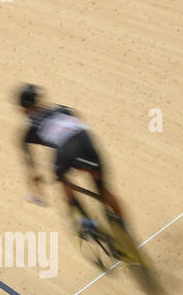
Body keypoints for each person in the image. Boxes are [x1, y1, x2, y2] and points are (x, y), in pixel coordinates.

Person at [17, 84, 128, 235]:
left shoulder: (29, 129)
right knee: (103, 190)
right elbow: (77, 121)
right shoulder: (60, 109)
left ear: (23, 109)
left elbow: (32, 169)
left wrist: (37, 192)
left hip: (66, 151)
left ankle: (83, 217)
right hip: (86, 141)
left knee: (61, 178)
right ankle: (124, 227)